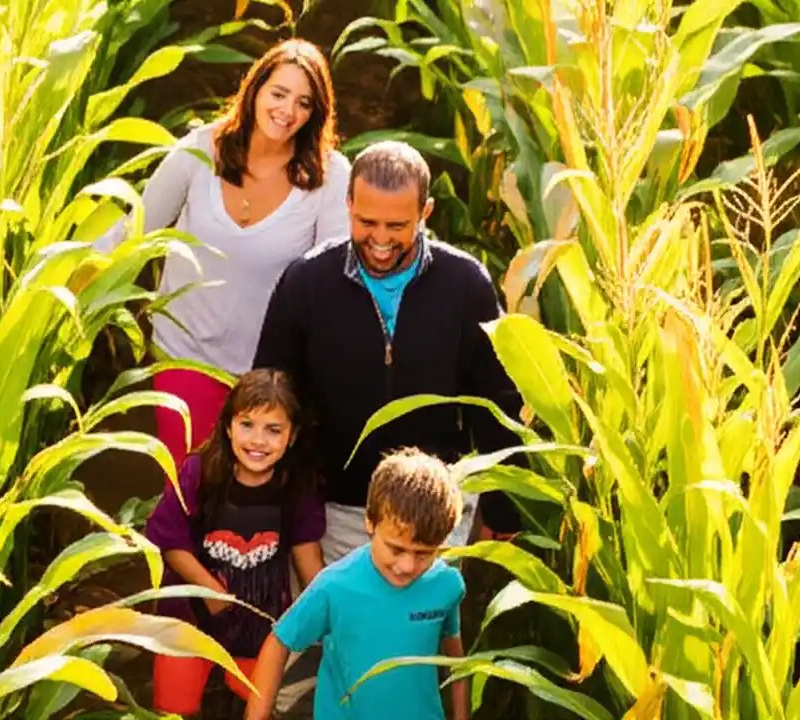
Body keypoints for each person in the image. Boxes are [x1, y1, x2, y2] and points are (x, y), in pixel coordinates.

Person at [253, 140, 523, 564]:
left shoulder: (466, 285)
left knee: (422, 630)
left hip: (436, 508)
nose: (379, 240)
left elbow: (495, 400)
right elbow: (273, 391)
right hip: (338, 511)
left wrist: (504, 504)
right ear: (348, 204)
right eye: (366, 222)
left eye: (397, 226)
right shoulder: (307, 282)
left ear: (426, 213)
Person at [96, 38, 350, 469]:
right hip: (187, 356)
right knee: (188, 491)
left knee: (248, 508)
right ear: (255, 90)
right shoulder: (199, 150)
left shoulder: (328, 176)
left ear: (316, 113)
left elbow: (332, 280)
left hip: (268, 378)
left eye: (304, 103)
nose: (288, 112)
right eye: (279, 94)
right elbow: (136, 230)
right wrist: (65, 266)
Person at [143, 368, 326, 716]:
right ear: (228, 426)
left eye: (273, 430)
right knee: (173, 706)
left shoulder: (297, 486)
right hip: (189, 617)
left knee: (258, 705)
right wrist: (212, 592)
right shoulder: (199, 471)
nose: (258, 441)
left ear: (292, 435)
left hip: (259, 620)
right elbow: (169, 540)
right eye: (247, 425)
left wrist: (331, 614)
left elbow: (308, 558)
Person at [244, 448, 471, 720]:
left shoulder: (447, 585)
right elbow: (280, 642)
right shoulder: (335, 585)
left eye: (424, 553)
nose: (407, 566)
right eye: (396, 549)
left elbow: (457, 663)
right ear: (370, 522)